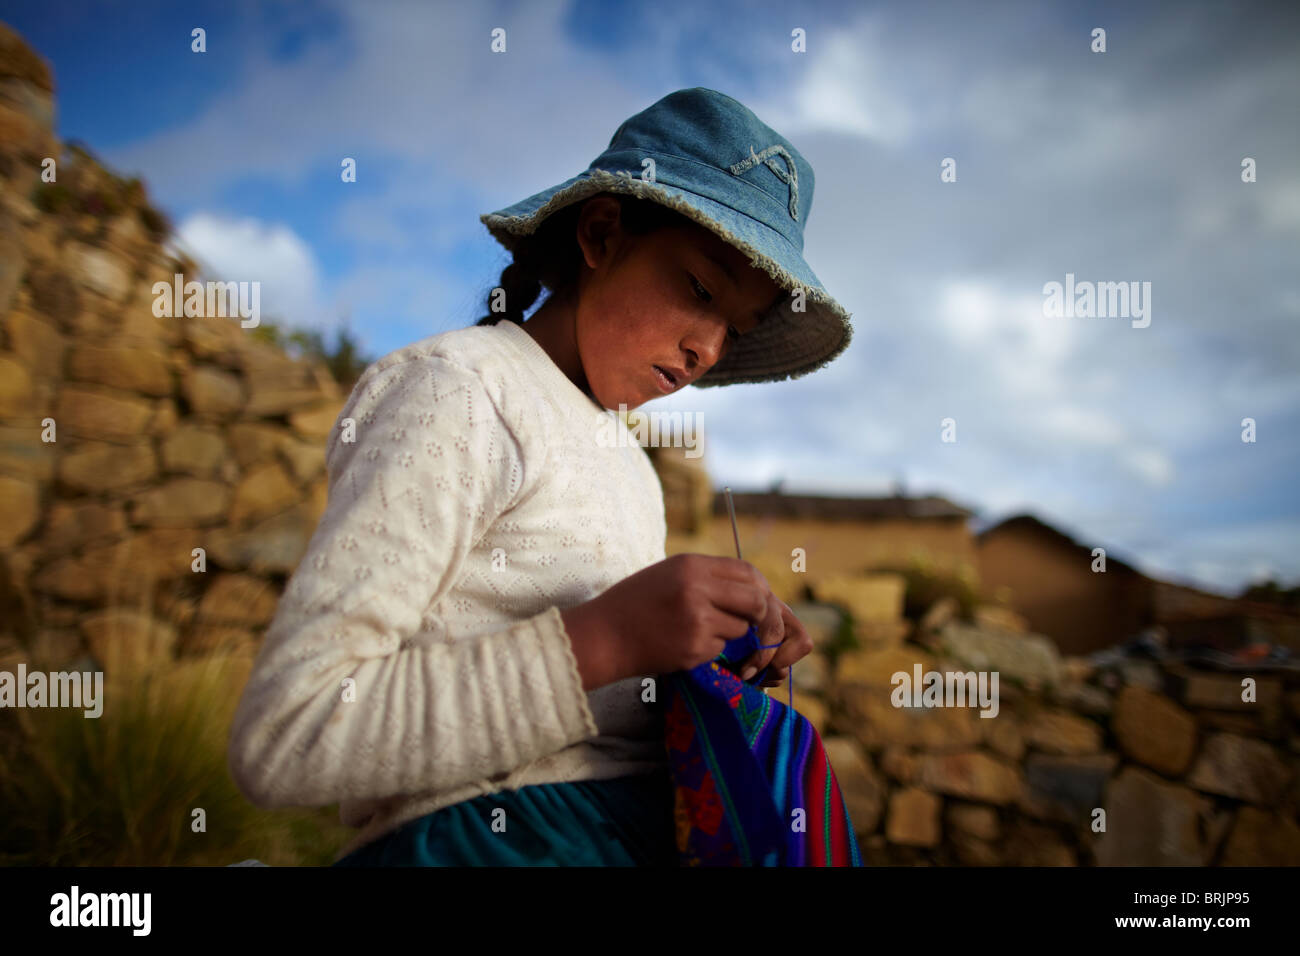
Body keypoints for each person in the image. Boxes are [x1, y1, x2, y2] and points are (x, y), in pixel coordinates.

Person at [226, 87, 854, 866]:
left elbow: (610, 706)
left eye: (736, 326)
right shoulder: (460, 391)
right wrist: (610, 638)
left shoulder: (631, 466)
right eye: (699, 289)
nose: (708, 349)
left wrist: (709, 652)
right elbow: (290, 732)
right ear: (600, 235)